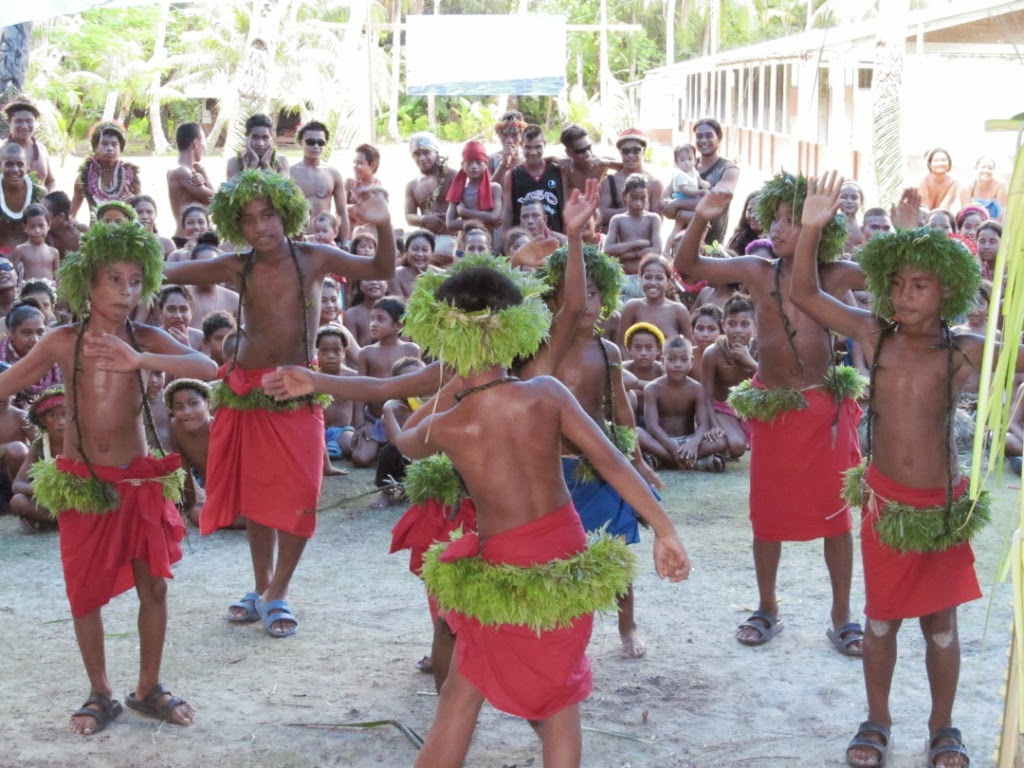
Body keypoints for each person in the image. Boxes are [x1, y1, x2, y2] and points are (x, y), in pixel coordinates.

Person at [262, 250, 690, 768]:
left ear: (444, 335)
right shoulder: (544, 393)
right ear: (513, 328)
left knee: (464, 695)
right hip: (561, 554)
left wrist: (329, 384)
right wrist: (665, 530)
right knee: (554, 701)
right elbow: (615, 463)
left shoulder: (447, 421)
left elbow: (398, 423)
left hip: (503, 562)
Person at [788, 171, 1008, 768]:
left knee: (941, 624)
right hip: (886, 505)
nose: (907, 295)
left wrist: (929, 242)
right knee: (880, 622)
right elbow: (805, 294)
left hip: (940, 509)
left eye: (922, 284)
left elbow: (1007, 342)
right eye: (899, 283)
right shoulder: (873, 336)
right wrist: (810, 229)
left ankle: (943, 727)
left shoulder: (963, 349)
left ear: (950, 291)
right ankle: (877, 719)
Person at [0, 220, 216, 735]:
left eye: (136, 280)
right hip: (83, 482)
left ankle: (148, 687)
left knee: (155, 588)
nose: (127, 291)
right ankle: (100, 691)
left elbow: (207, 365)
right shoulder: (61, 341)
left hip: (140, 482)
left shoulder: (143, 336)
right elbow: (7, 383)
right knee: (86, 594)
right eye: (113, 280)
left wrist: (138, 358)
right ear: (87, 285)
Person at [163, 169, 396, 638]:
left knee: (299, 496)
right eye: (247, 220)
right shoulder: (237, 264)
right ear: (235, 224)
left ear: (286, 214)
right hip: (244, 391)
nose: (260, 228)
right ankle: (263, 586)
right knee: (257, 498)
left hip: (295, 390)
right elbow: (167, 270)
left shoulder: (312, 257)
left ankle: (279, 591)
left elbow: (380, 272)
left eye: (268, 215)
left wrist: (384, 225)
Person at [674, 171, 866, 653]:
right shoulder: (759, 271)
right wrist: (702, 216)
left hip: (823, 407)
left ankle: (842, 616)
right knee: (768, 514)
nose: (776, 229)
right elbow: (688, 263)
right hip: (774, 408)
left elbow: (894, 274)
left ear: (819, 224)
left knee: (837, 519)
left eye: (789, 220)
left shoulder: (837, 273)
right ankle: (767, 607)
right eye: (773, 219)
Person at [527, 181, 663, 660]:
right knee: (558, 554)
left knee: (617, 553)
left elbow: (620, 410)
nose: (586, 304)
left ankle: (626, 626)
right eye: (576, 296)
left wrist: (638, 461)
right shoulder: (544, 349)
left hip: (603, 466)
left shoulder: (607, 351)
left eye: (595, 296)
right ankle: (561, 632)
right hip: (554, 469)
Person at [350, 297, 421, 469]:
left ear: (398, 325)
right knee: (360, 458)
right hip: (373, 418)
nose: (373, 323)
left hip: (401, 417)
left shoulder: (411, 349)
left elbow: (418, 388)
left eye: (380, 319)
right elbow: (360, 391)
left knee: (410, 457)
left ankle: (391, 443)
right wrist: (359, 424)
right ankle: (381, 442)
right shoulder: (366, 353)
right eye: (372, 318)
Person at [643, 335, 724, 471]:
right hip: (663, 441)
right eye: (672, 359)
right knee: (637, 434)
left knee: (721, 442)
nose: (678, 364)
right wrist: (673, 448)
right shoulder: (652, 389)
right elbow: (652, 426)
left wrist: (693, 443)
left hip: (688, 441)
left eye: (684, 359)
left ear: (691, 362)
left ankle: (663, 460)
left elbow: (703, 424)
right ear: (662, 361)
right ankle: (695, 463)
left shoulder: (697, 388)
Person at [662, 118, 740, 245]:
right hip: (680, 246)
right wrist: (676, 208)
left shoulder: (729, 169)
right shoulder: (685, 166)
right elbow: (664, 206)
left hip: (710, 247)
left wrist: (677, 205)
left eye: (709, 135)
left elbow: (714, 202)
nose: (703, 140)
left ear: (719, 138)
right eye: (699, 136)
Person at [700, 293, 756, 461]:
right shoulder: (712, 353)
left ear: (755, 325)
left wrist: (751, 362)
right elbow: (706, 397)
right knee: (737, 447)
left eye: (745, 324)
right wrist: (715, 427)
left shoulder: (761, 349)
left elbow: (774, 384)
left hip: (752, 410)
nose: (738, 330)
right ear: (723, 325)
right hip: (723, 410)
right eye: (732, 324)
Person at [9, 383, 64, 531]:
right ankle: (60, 521)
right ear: (43, 421)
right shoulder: (39, 445)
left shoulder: (84, 443)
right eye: (53, 415)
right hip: (52, 501)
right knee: (18, 501)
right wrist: (42, 489)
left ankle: (55, 521)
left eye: (66, 414)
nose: (61, 422)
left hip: (79, 500)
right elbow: (17, 485)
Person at [502, 123, 566, 241]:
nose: (533, 152)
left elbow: (565, 208)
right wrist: (507, 242)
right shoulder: (512, 175)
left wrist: (566, 240)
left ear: (545, 144)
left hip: (555, 239)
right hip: (523, 242)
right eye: (528, 147)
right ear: (521, 145)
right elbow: (508, 213)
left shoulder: (558, 172)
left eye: (537, 147)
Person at [290, 121, 350, 243]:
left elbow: (342, 212)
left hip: (325, 241)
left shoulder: (333, 174)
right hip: (298, 241)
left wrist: (345, 243)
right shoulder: (290, 174)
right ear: (300, 142)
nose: (316, 146)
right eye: (310, 142)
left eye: (321, 142)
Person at [616, 254, 693, 349]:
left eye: (659, 278)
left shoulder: (679, 311)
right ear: (640, 278)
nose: (653, 283)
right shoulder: (632, 307)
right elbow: (622, 346)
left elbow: (690, 348)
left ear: (668, 281)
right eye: (648, 277)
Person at [404, 132, 458, 260]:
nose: (422, 158)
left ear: (436, 152)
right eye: (417, 154)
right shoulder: (413, 184)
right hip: (425, 241)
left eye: (426, 152)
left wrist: (451, 221)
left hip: (450, 238)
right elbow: (408, 217)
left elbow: (464, 207)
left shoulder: (452, 176)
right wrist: (424, 220)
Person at [598, 128, 664, 230]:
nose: (630, 155)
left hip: (643, 242)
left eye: (636, 150)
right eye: (625, 151)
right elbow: (601, 216)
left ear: (644, 151)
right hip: (614, 242)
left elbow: (657, 223)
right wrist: (634, 208)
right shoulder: (609, 181)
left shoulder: (654, 183)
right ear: (620, 152)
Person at [71, 122, 141, 218]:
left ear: (120, 148)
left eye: (114, 144)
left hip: (125, 231)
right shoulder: (84, 177)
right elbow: (72, 214)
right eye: (104, 144)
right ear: (95, 147)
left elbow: (140, 208)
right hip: (95, 231)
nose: (109, 148)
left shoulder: (131, 176)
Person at [1, 300, 60, 409]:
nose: (35, 339)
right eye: (26, 333)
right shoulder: (2, 363)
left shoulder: (55, 358)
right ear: (11, 333)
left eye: (40, 332)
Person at [604, 175, 663, 279]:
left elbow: (657, 250)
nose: (638, 203)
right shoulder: (617, 219)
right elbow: (608, 250)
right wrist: (637, 243)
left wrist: (625, 255)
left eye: (642, 198)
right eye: (633, 197)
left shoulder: (653, 219)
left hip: (645, 278)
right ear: (624, 196)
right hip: (622, 277)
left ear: (648, 196)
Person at [166, 122, 215, 247]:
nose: (204, 147)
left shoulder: (189, 171)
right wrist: (204, 173)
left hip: (198, 236)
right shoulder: (181, 171)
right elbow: (215, 200)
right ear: (196, 143)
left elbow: (207, 207)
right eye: (203, 142)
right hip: (185, 239)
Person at [315, 325, 355, 476]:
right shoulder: (313, 378)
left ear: (344, 352)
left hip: (343, 431)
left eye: (336, 350)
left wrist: (361, 427)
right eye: (324, 351)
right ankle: (328, 449)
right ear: (317, 352)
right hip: (318, 431)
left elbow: (360, 406)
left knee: (354, 448)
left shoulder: (353, 377)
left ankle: (335, 447)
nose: (330, 355)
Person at [445, 141, 502, 237]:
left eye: (478, 162)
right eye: (469, 163)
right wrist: (484, 221)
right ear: (462, 165)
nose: (474, 167)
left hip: (485, 243)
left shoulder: (495, 188)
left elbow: (494, 217)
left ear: (486, 164)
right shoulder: (458, 190)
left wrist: (465, 212)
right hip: (464, 243)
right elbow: (450, 224)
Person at [2, 99, 55, 191]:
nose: (24, 126)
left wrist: (48, 199)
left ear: (36, 122)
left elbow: (51, 182)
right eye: (18, 121)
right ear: (9, 122)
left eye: (29, 121)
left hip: (39, 204)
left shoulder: (41, 149)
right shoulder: (2, 149)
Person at [0, 142, 43, 255]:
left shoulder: (39, 194)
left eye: (20, 164)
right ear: (0, 165)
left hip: (31, 254)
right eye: (9, 164)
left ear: (27, 166)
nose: (15, 169)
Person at [226, 113, 289, 179]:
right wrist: (253, 163)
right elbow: (235, 188)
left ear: (271, 138)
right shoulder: (235, 162)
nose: (260, 143)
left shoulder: (281, 161)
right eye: (255, 137)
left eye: (265, 138)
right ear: (247, 137)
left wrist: (266, 164)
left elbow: (283, 188)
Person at [10, 203, 59, 282]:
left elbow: (58, 279)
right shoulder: (20, 250)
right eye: (32, 227)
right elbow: (15, 277)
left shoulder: (53, 252)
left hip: (49, 292)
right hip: (28, 292)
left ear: (49, 225)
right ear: (25, 227)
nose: (37, 231)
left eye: (41, 226)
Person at [389, 230, 444, 300]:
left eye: (425, 250)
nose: (420, 254)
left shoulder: (443, 275)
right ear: (406, 252)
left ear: (432, 253)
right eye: (415, 249)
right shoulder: (396, 275)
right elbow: (397, 307)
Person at [346, 143, 384, 229]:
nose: (354, 166)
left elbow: (373, 217)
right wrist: (345, 190)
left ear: (372, 165)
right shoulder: (351, 184)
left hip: (369, 235)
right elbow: (340, 211)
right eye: (354, 162)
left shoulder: (377, 189)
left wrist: (350, 208)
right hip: (350, 235)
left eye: (359, 163)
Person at [960, 155, 1007, 221]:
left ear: (994, 171)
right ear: (976, 169)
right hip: (973, 221)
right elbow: (964, 213)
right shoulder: (967, 186)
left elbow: (1002, 214)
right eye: (983, 167)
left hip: (995, 223)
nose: (986, 170)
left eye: (990, 168)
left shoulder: (1000, 186)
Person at [41, 191, 86, 259]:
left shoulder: (74, 240)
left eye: (43, 213)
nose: (38, 216)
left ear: (60, 217)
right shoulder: (41, 231)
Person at [488, 110, 526, 187]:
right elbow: (487, 190)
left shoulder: (527, 158)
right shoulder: (492, 159)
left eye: (514, 135)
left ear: (521, 136)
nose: (509, 140)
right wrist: (503, 165)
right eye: (505, 135)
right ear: (499, 136)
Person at [917, 148, 960, 212]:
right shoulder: (923, 180)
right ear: (930, 164)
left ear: (949, 163)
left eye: (943, 160)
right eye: (936, 161)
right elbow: (924, 206)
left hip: (941, 215)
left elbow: (945, 206)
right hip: (922, 214)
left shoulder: (953, 182)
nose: (940, 163)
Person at [690, 303, 724, 383]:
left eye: (712, 329)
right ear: (692, 331)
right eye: (700, 329)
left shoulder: (731, 358)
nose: (705, 334)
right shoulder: (687, 356)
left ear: (722, 331)